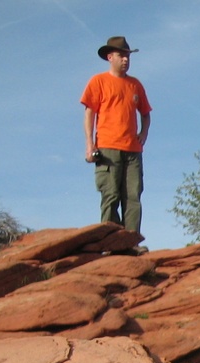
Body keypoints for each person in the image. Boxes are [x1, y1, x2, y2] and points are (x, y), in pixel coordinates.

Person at [80, 35, 151, 239]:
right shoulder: (98, 81)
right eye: (121, 55)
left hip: (133, 150)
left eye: (128, 56)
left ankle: (131, 243)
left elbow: (146, 113)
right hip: (107, 148)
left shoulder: (135, 84)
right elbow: (89, 113)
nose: (126, 59)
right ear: (110, 57)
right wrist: (89, 144)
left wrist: (143, 133)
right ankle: (111, 242)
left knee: (132, 197)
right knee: (110, 195)